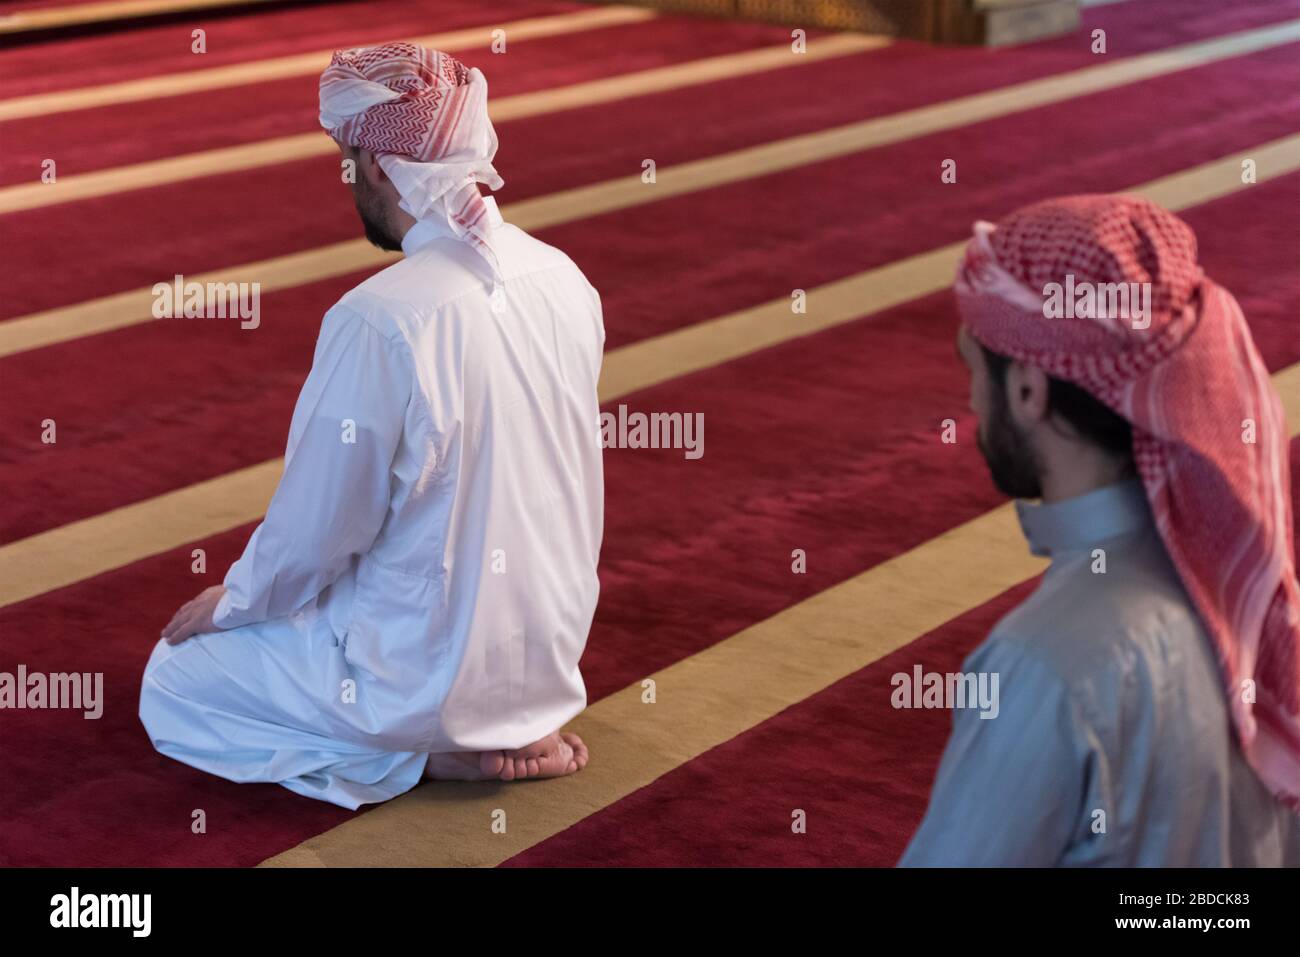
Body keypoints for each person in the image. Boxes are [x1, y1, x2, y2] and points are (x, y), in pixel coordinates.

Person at [139, 43, 604, 809]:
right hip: (547, 677)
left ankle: (420, 755)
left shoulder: (379, 318)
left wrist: (232, 602)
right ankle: (491, 723)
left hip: (416, 685)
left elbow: (318, 531)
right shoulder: (564, 278)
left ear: (383, 168)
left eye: (349, 159)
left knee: (175, 679)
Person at [900, 194, 1300, 865]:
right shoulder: (1257, 591)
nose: (971, 402)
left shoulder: (1045, 665)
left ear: (1029, 389)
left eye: (975, 372)